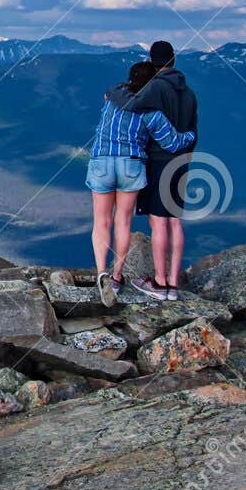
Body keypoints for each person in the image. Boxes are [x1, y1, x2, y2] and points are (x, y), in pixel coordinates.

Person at [85, 60, 196, 306]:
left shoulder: (112, 99)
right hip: (131, 164)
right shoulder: (151, 112)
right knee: (122, 221)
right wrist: (190, 134)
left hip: (102, 160)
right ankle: (116, 277)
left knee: (101, 222)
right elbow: (173, 143)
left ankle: (101, 271)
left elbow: (112, 92)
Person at [132, 40, 199, 300]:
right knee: (174, 220)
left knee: (157, 220)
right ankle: (172, 282)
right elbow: (194, 131)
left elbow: (132, 106)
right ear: (174, 60)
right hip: (182, 161)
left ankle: (159, 283)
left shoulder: (155, 88)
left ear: (152, 61)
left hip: (158, 161)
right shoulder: (190, 93)